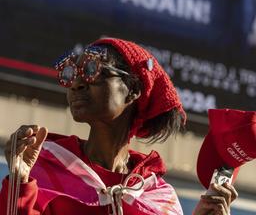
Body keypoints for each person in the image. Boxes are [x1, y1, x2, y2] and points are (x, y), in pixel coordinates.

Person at [0, 38, 238, 214]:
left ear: (133, 90)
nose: (77, 85)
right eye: (72, 75)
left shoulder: (159, 197)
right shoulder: (42, 166)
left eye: (93, 71)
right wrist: (19, 182)